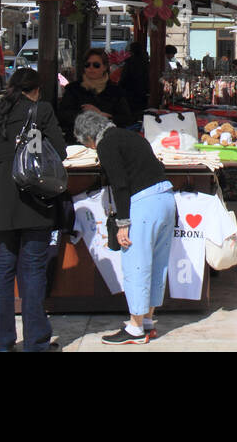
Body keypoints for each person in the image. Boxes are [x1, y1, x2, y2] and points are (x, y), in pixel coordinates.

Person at [0, 68, 67, 352]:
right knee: (32, 269)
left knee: (3, 269)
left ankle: (1, 343)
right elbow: (60, 152)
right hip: (33, 198)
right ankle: (36, 342)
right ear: (36, 89)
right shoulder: (41, 111)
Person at [72, 109, 175, 345]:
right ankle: (148, 321)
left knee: (136, 265)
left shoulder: (107, 145)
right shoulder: (131, 136)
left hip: (144, 204)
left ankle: (136, 328)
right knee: (157, 264)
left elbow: (120, 185)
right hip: (166, 199)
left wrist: (123, 223)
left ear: (89, 137)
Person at [59, 47, 134, 142]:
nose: (91, 68)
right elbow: (62, 116)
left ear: (105, 67)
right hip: (78, 142)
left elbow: (126, 119)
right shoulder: (73, 89)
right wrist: (87, 116)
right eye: (87, 65)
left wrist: (101, 116)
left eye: (96, 65)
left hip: (108, 141)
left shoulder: (116, 91)